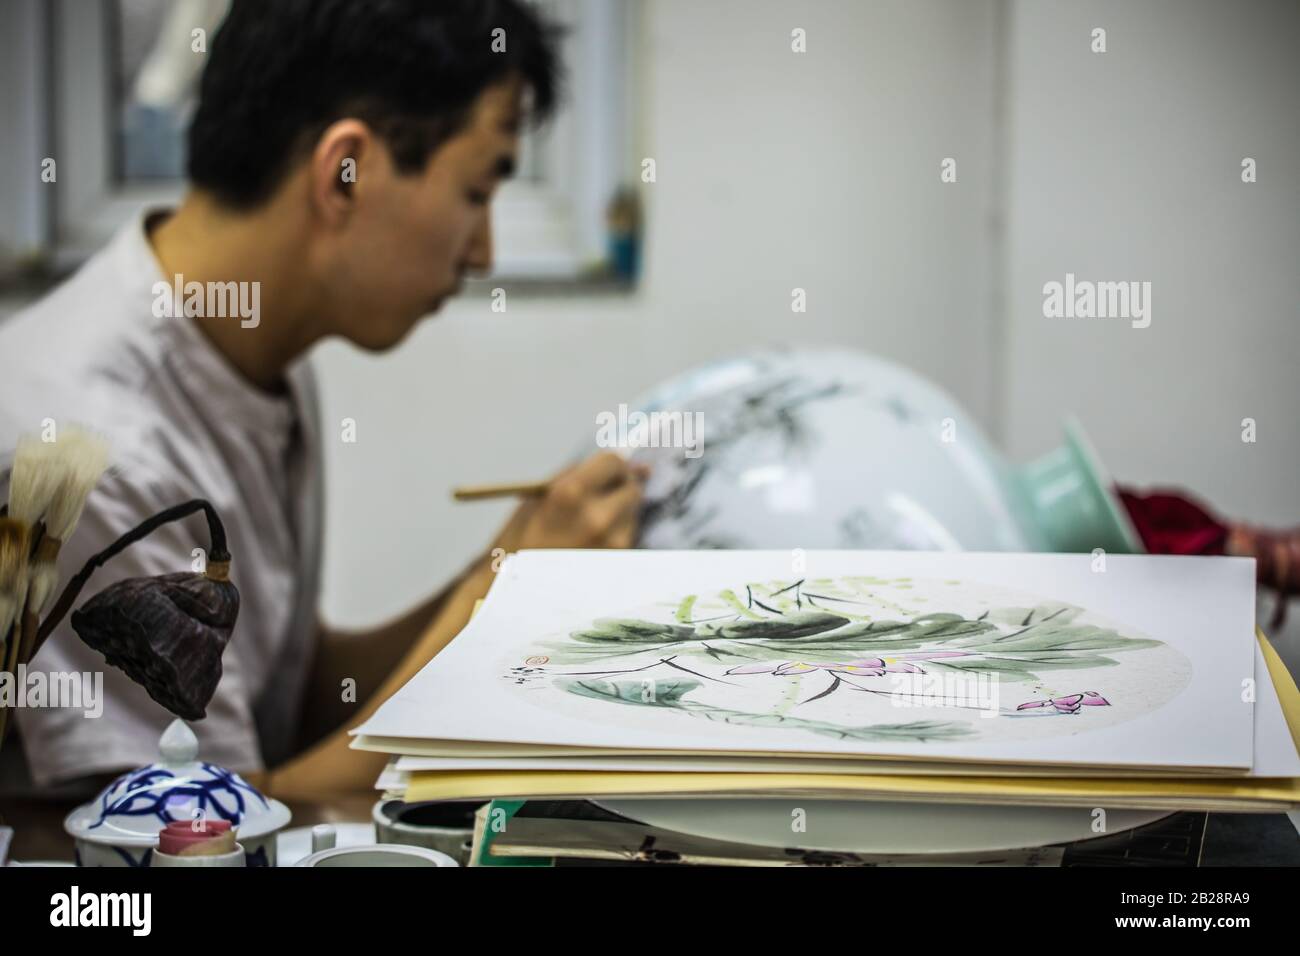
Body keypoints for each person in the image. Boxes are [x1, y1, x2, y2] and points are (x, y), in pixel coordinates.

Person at [0, 0, 644, 797]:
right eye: (477, 193)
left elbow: (290, 697)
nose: (482, 253)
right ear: (348, 171)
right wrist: (491, 623)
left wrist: (505, 573)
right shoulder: (96, 451)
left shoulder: (257, 353)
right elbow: (205, 834)